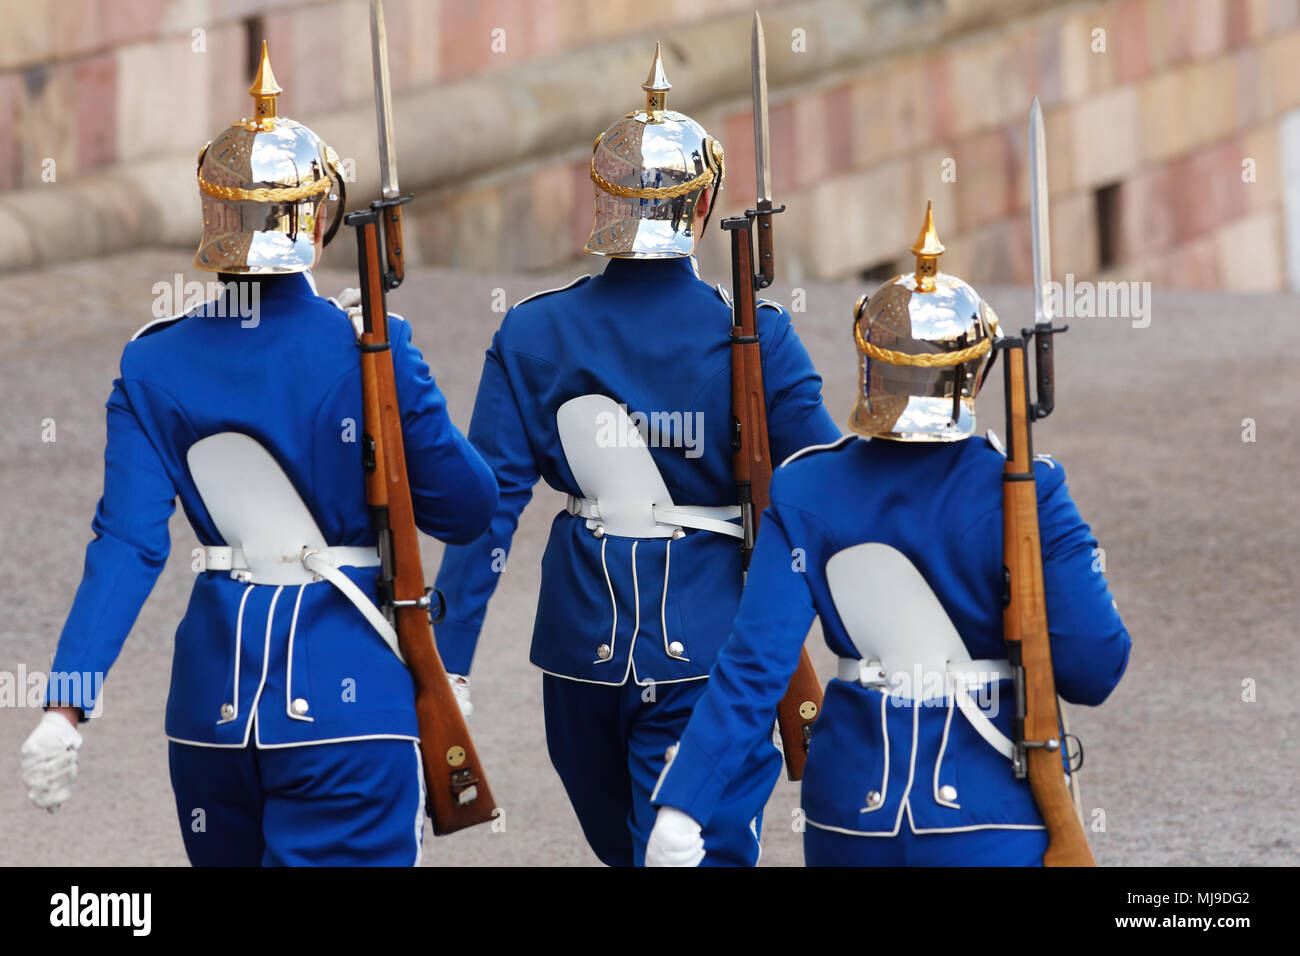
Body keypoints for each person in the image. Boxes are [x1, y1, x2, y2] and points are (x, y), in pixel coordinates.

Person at [18, 44, 497, 866]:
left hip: (211, 714)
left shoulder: (151, 358)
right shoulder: (368, 348)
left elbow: (127, 544)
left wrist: (66, 702)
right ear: (319, 220)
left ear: (216, 219)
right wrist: (397, 370)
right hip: (348, 710)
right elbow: (467, 506)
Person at [433, 45, 841, 866]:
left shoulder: (536, 330)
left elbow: (491, 509)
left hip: (580, 647)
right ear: (702, 206)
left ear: (604, 202)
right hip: (710, 651)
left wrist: (452, 663)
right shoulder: (755, 333)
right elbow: (828, 493)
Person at [645, 204, 1131, 866]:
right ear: (978, 374)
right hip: (985, 816)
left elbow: (755, 664)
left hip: (853, 819)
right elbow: (1094, 667)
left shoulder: (807, 487)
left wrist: (684, 802)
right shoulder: (1029, 490)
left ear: (869, 366)